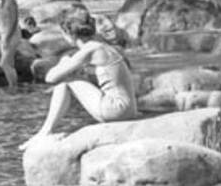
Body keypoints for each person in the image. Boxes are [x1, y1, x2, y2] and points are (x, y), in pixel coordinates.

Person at [20, 13, 138, 149]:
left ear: (70, 35)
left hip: (115, 110)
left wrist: (64, 62)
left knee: (65, 83)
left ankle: (45, 132)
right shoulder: (100, 45)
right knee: (73, 79)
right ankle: (45, 132)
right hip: (127, 109)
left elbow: (50, 78)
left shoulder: (90, 49)